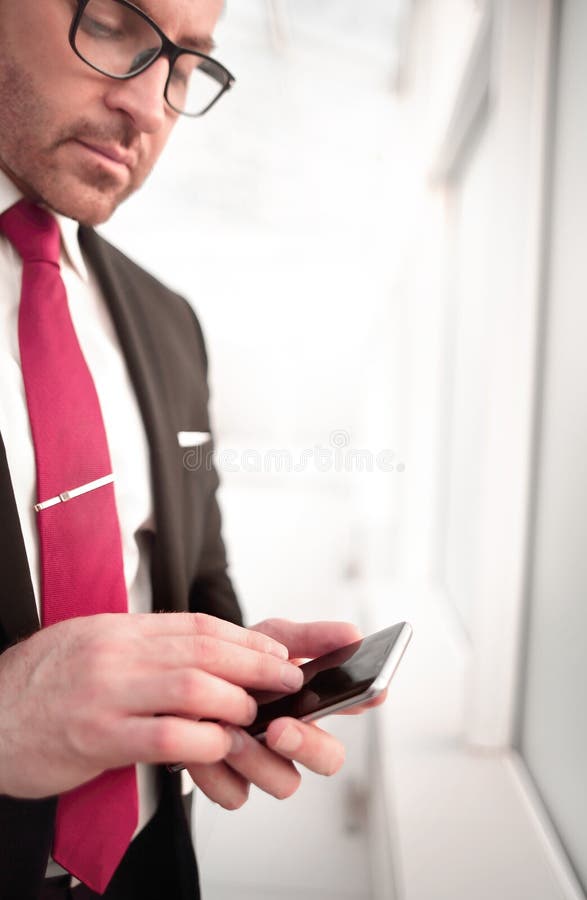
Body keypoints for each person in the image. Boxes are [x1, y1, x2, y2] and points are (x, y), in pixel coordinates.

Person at [0, 1, 384, 898]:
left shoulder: (170, 326)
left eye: (183, 66)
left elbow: (195, 578)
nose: (148, 105)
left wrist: (235, 673)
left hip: (151, 870)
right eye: (111, 26)